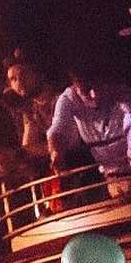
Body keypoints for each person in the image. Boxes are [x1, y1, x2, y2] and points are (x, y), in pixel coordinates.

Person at [47, 60, 131, 199]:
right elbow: (57, 129)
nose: (93, 95)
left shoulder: (120, 93)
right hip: (112, 180)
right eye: (85, 90)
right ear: (75, 87)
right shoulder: (67, 99)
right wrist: (55, 152)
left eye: (96, 87)